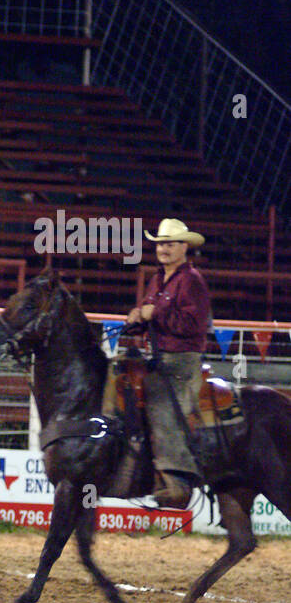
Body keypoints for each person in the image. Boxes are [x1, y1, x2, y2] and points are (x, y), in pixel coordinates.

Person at [126, 218, 213, 509]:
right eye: (161, 243)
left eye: (170, 243)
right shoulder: (157, 279)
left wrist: (156, 312)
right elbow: (155, 320)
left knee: (161, 402)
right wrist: (138, 320)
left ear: (184, 247)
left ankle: (177, 480)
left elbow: (194, 324)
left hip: (182, 361)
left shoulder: (192, 281)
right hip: (160, 358)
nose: (163, 248)